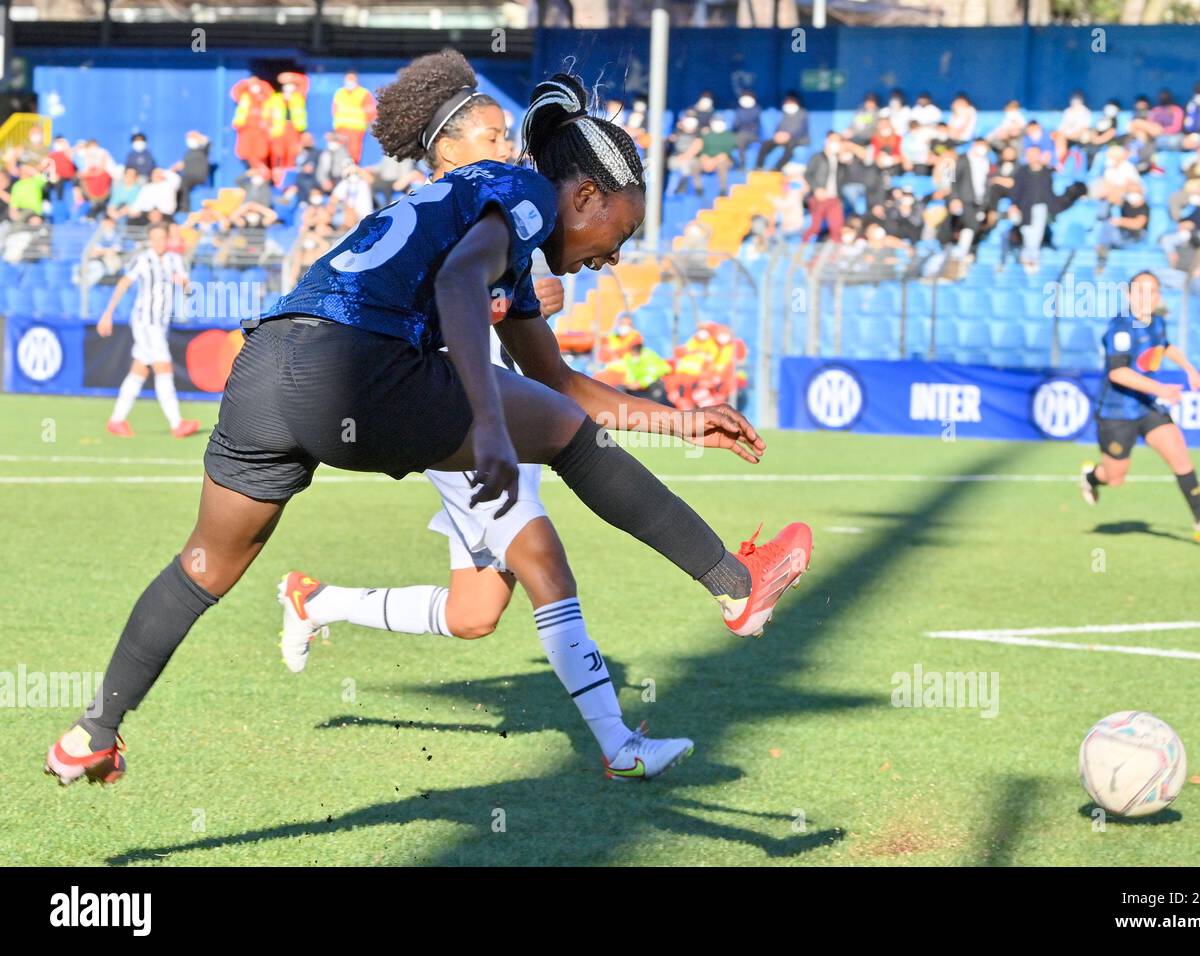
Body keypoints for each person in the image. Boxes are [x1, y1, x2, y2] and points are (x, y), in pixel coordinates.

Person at [46, 58, 812, 788]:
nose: (615, 257)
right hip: (357, 369)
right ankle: (737, 586)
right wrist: (484, 421)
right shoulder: (526, 194)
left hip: (267, 365)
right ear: (584, 197)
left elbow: (557, 381)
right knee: (570, 443)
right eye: (623, 230)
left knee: (203, 568)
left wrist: (680, 423)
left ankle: (92, 733)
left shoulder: (493, 218)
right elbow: (456, 286)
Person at [276, 54, 693, 780]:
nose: (507, 149)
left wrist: (523, 303)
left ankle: (318, 601)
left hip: (488, 406)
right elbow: (436, 308)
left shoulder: (497, 218)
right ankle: (617, 744)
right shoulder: (436, 215)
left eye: (507, 137)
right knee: (545, 562)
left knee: (474, 612)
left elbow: (540, 358)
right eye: (493, 137)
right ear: (447, 152)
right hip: (457, 413)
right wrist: (509, 305)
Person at [1080, 272, 1200, 544]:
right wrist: (1162, 390)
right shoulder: (1121, 329)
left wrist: (1191, 371)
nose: (1147, 297)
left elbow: (1165, 346)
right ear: (1128, 295)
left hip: (1147, 405)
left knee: (1181, 458)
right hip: (1117, 412)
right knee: (1114, 478)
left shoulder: (1156, 321)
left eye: (1153, 291)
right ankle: (1092, 477)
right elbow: (1118, 373)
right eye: (1141, 291)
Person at [96, 223, 202, 440]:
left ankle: (116, 420)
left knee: (139, 370)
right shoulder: (143, 259)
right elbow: (124, 283)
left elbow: (188, 288)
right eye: (154, 239)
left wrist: (183, 284)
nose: (159, 243)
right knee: (163, 367)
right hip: (146, 322)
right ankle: (177, 423)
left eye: (162, 238)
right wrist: (108, 313)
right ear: (149, 240)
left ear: (167, 239)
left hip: (161, 323)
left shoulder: (175, 260)